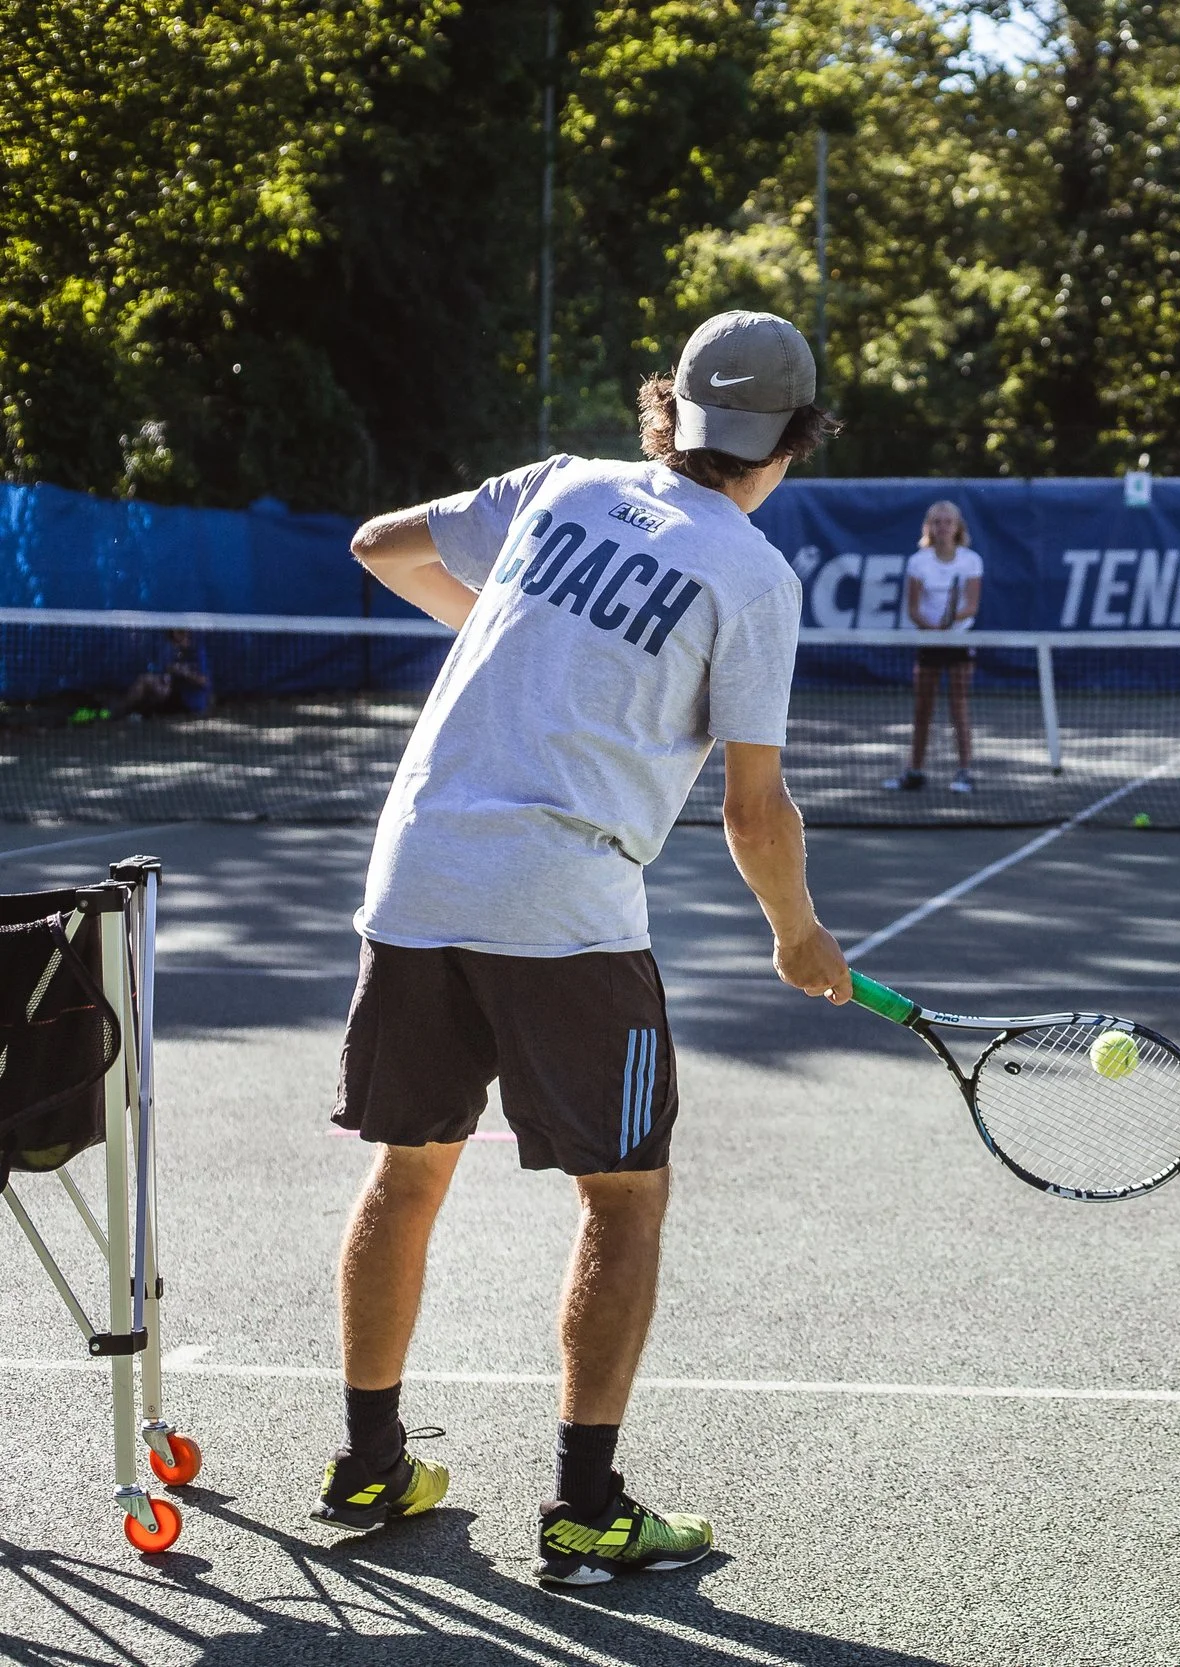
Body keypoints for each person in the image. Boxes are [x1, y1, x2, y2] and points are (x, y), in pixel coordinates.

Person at [317, 310, 853, 1588]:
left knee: (407, 1171)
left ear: (670, 409)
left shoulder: (560, 483)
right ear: (794, 438)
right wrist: (799, 934)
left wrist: (521, 648)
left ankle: (370, 1462)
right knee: (623, 1196)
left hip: (416, 874)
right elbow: (755, 808)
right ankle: (587, 1506)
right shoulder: (752, 576)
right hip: (561, 908)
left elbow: (378, 544)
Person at [881, 499, 983, 794]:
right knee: (922, 708)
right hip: (928, 640)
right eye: (937, 522)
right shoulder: (918, 562)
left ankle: (965, 771)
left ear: (957, 527)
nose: (943, 527)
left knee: (958, 706)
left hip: (959, 640)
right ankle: (914, 771)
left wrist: (950, 623)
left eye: (948, 522)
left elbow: (971, 606)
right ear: (929, 527)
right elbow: (913, 610)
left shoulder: (971, 561)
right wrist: (933, 629)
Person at [115, 629, 213, 718]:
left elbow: (204, 681)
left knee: (156, 688)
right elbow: (161, 671)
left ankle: (126, 712)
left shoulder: (197, 652)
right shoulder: (169, 648)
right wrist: (166, 675)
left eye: (182, 632)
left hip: (188, 701)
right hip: (169, 693)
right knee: (144, 681)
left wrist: (185, 672)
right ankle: (121, 712)